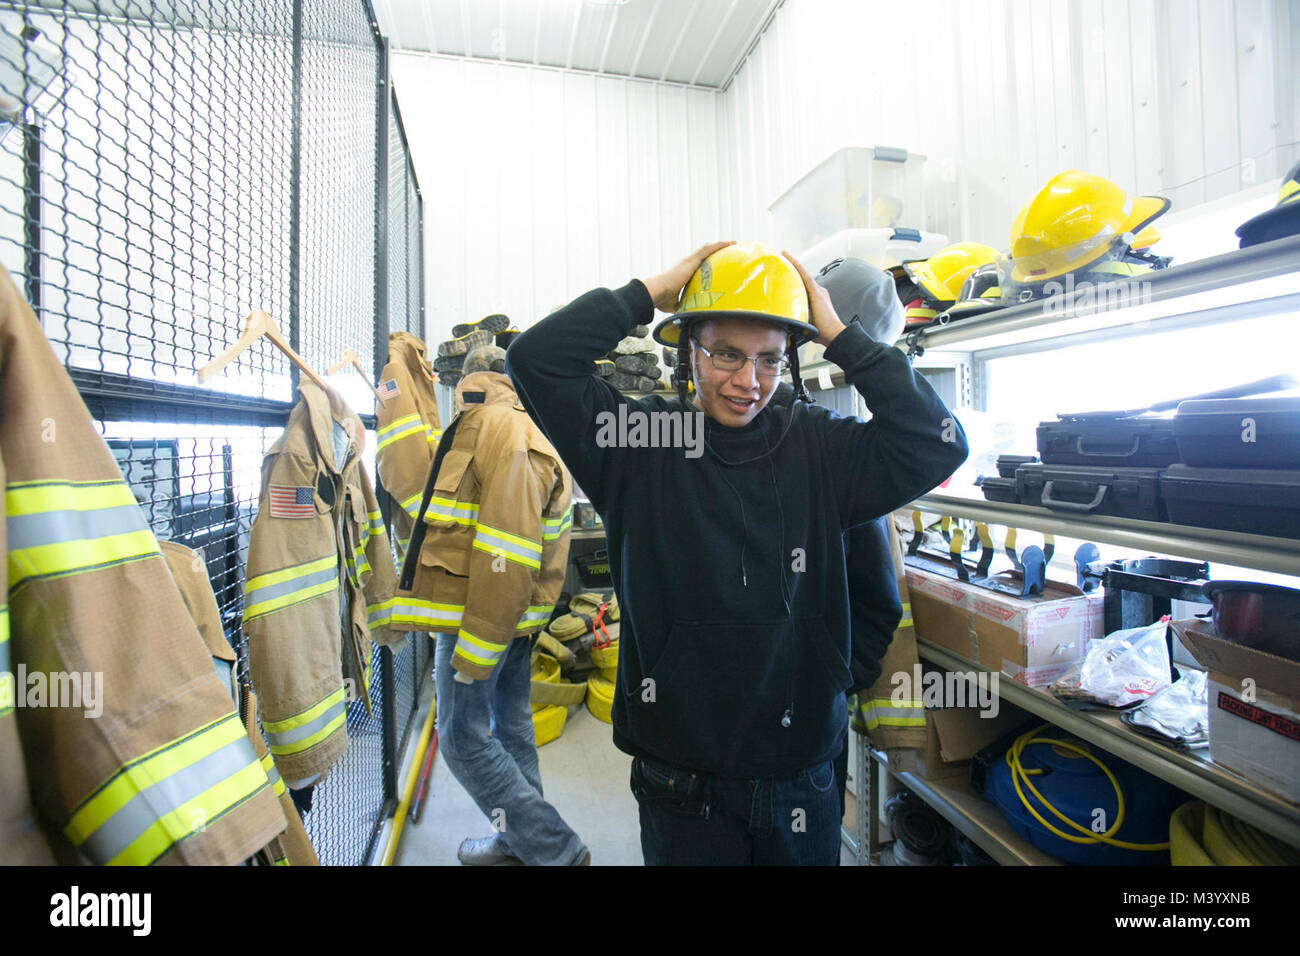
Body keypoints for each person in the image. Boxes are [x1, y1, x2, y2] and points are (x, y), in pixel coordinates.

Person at [507, 242, 968, 865]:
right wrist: (653, 291)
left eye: (770, 360)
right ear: (687, 349)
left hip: (800, 772)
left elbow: (937, 443)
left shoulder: (822, 448)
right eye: (726, 353)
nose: (748, 382)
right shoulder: (638, 444)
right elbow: (536, 359)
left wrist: (837, 334)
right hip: (681, 777)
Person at [412, 345, 589, 866]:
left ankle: (554, 850)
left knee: (462, 739)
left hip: (483, 620)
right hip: (509, 619)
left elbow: (504, 554)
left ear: (470, 382)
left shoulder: (496, 432)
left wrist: (475, 650)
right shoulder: (517, 426)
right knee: (511, 729)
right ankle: (518, 845)